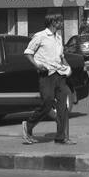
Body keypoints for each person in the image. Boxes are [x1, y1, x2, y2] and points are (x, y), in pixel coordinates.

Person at [23, 14, 73, 145]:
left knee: (63, 106)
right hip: (47, 75)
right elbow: (28, 53)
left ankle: (61, 137)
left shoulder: (58, 37)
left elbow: (61, 56)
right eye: (59, 21)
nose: (62, 23)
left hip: (59, 75)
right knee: (48, 101)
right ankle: (28, 125)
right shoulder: (40, 36)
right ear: (53, 22)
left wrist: (68, 67)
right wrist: (37, 65)